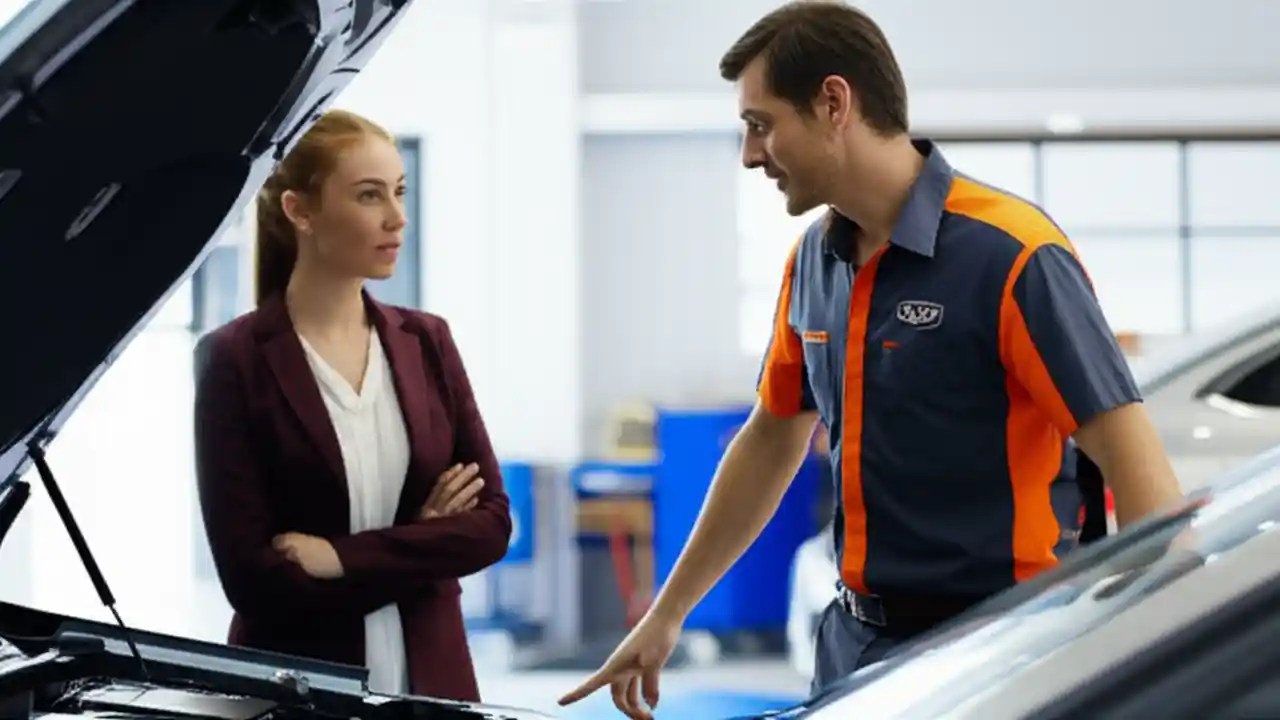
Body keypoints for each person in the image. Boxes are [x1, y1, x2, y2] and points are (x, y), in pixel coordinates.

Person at [559, 3, 1185, 718]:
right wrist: (667, 613)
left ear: (833, 102)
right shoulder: (813, 266)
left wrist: (1145, 671)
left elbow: (1140, 475)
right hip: (855, 646)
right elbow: (770, 438)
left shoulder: (1011, 254)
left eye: (761, 125)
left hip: (1001, 646)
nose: (749, 154)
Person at [193, 108, 511, 702]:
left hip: (434, 685)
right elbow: (255, 583)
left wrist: (339, 556)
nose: (398, 218)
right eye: (369, 196)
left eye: (399, 192)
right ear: (300, 210)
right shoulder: (233, 358)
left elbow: (491, 526)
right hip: (295, 689)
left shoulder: (427, 342)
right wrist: (422, 545)